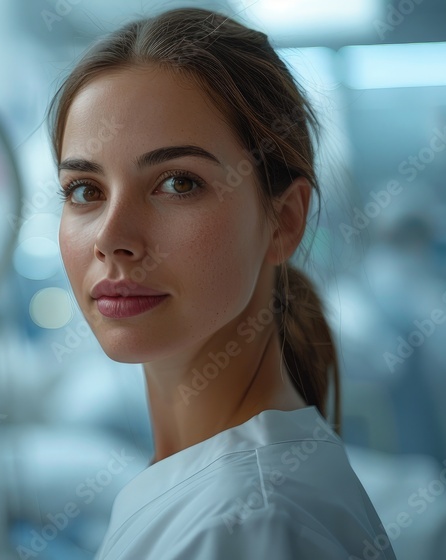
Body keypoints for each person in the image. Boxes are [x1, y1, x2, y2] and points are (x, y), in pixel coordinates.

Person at [49, 8, 397, 559]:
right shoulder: (224, 492)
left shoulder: (245, 525)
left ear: (283, 220)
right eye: (85, 190)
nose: (112, 237)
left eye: (177, 182)